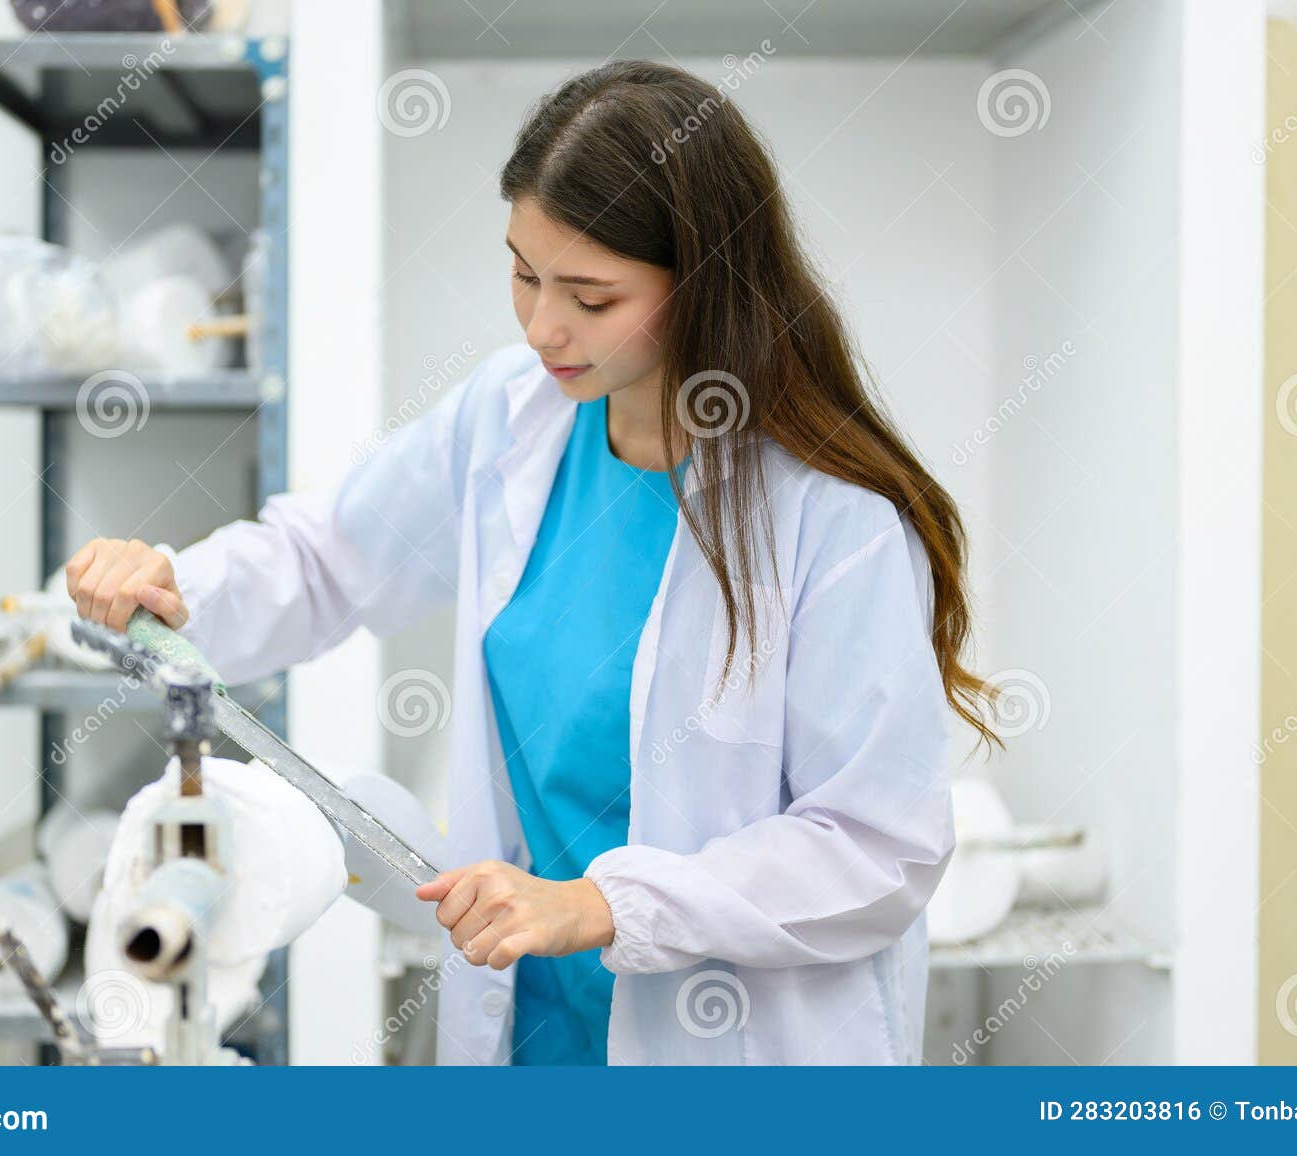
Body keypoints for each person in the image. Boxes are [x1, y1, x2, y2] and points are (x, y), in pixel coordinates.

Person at [66, 60, 999, 1066]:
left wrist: (603, 903)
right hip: (530, 1037)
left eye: (591, 298)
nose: (542, 326)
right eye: (523, 273)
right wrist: (178, 587)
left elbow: (874, 847)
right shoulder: (512, 417)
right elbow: (331, 554)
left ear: (706, 283)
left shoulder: (833, 521)